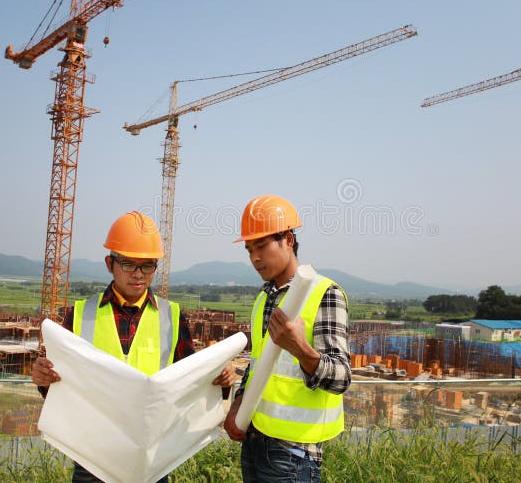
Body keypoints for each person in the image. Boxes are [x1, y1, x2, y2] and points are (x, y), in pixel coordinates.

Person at [32, 211, 235, 483]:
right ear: (109, 263)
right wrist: (43, 379)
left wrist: (222, 379)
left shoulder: (172, 317)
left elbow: (191, 382)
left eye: (147, 266)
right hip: (93, 459)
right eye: (128, 264)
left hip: (150, 461)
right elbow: (61, 387)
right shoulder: (80, 315)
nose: (138, 275)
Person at [223, 195, 351, 483]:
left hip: (294, 454)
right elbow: (257, 366)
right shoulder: (262, 299)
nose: (255, 257)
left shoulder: (324, 294)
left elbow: (341, 378)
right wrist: (237, 405)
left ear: (288, 240)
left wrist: (300, 349)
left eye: (262, 246)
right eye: (249, 249)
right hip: (255, 443)